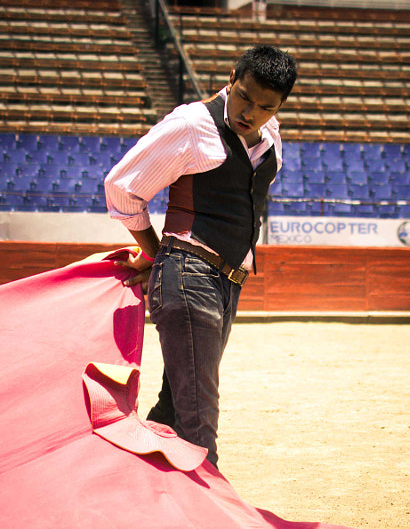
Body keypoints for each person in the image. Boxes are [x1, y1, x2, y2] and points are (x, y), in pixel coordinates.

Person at [104, 45, 298, 467]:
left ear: (280, 106)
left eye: (265, 106)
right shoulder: (193, 123)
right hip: (189, 272)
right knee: (198, 424)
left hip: (227, 284)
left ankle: (127, 489)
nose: (250, 111)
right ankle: (208, 526)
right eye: (244, 96)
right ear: (232, 78)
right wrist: (157, 255)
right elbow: (122, 186)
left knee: (176, 410)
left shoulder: (271, 135)